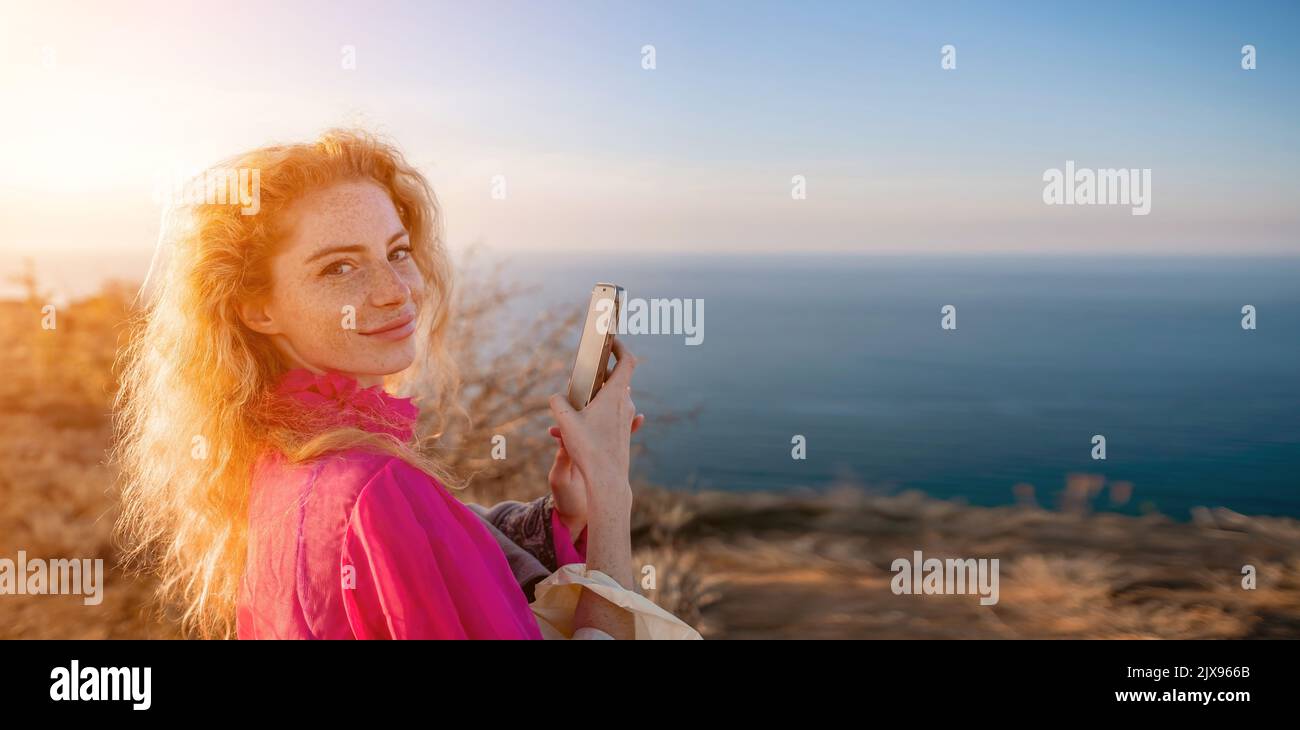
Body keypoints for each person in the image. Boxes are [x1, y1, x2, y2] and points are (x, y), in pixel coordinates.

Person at [114, 129, 700, 640]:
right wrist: (610, 495)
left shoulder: (275, 462)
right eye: (338, 267)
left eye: (398, 252)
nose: (395, 289)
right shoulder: (377, 488)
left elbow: (441, 564)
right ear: (257, 307)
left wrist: (561, 514)